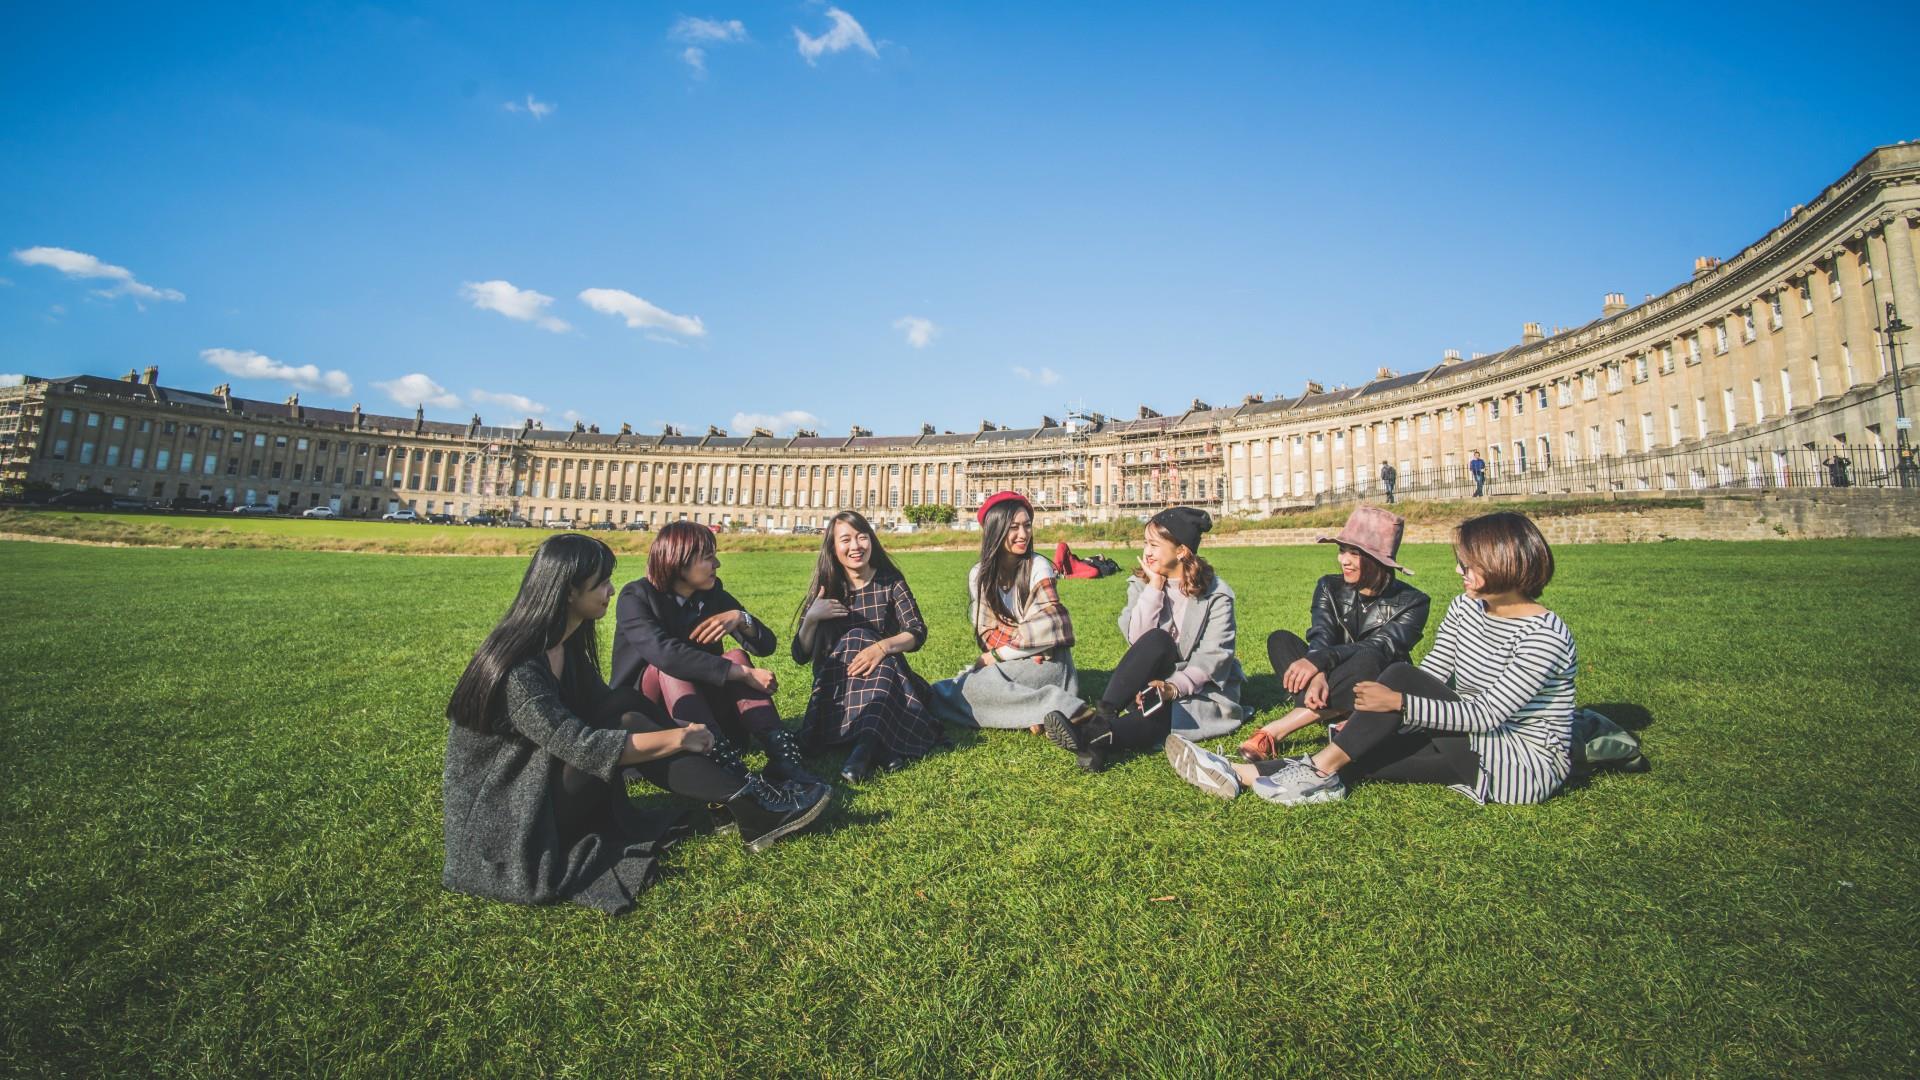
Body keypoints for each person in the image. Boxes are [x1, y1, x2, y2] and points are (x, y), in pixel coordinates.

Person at [442, 535, 831, 914]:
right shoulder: (520, 669)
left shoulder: (568, 646)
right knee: (628, 712)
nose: (610, 590)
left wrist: (740, 622)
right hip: (513, 816)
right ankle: (750, 801)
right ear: (569, 593)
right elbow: (583, 746)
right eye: (601, 583)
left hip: (548, 781)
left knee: (623, 703)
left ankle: (743, 798)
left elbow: (603, 709)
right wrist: (677, 737)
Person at [1165, 511, 1575, 807]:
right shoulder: (1466, 607)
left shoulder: (1545, 635)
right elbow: (1433, 671)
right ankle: (1241, 774)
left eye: (1468, 563)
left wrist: (1397, 705)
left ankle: (1313, 770)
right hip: (1463, 739)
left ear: (1503, 563)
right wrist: (1376, 719)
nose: (1458, 570)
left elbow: (1487, 715)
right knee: (1362, 752)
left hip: (1516, 762)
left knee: (1393, 679)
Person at [610, 521, 823, 787]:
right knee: (668, 668)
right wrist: (741, 674)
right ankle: (720, 762)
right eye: (709, 558)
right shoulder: (637, 596)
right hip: (650, 718)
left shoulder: (711, 596)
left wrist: (740, 618)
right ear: (679, 560)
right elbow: (666, 655)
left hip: (707, 709)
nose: (717, 564)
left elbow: (765, 646)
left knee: (734, 654)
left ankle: (782, 755)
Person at [1041, 506, 1245, 772]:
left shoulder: (1216, 595)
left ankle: (1095, 736)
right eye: (1145, 543)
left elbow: (1213, 657)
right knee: (1157, 639)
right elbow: (1139, 641)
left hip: (1198, 686)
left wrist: (1171, 688)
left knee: (1162, 713)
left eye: (1154, 545)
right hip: (1150, 673)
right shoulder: (1141, 583)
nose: (1146, 552)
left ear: (1181, 551)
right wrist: (1155, 587)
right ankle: (1104, 717)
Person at [1237, 505, 1429, 762]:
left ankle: (1274, 731)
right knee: (1280, 641)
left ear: (1376, 560)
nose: (1343, 560)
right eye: (1341, 551)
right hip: (1331, 674)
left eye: (1354, 553)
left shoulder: (1414, 602)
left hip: (1376, 677)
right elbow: (1322, 633)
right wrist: (1318, 673)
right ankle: (1345, 711)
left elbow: (1381, 648)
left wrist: (1320, 662)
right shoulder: (1329, 585)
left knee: (1369, 658)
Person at [793, 510, 941, 782]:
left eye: (862, 537)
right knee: (856, 636)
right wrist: (812, 617)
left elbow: (917, 632)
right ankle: (878, 749)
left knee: (862, 638)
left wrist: (881, 648)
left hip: (889, 680)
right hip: (838, 685)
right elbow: (799, 654)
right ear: (833, 547)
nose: (855, 546)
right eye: (846, 540)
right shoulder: (826, 589)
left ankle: (864, 750)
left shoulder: (890, 581)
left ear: (871, 540)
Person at [931, 491, 1082, 732]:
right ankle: (1034, 713)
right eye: (1014, 527)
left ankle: (1065, 709)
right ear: (995, 529)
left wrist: (997, 656)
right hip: (1017, 661)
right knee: (978, 684)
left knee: (965, 689)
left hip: (1048, 663)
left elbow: (1051, 627)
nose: (1023, 534)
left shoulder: (1039, 567)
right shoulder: (978, 575)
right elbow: (987, 631)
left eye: (1027, 526)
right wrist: (1020, 646)